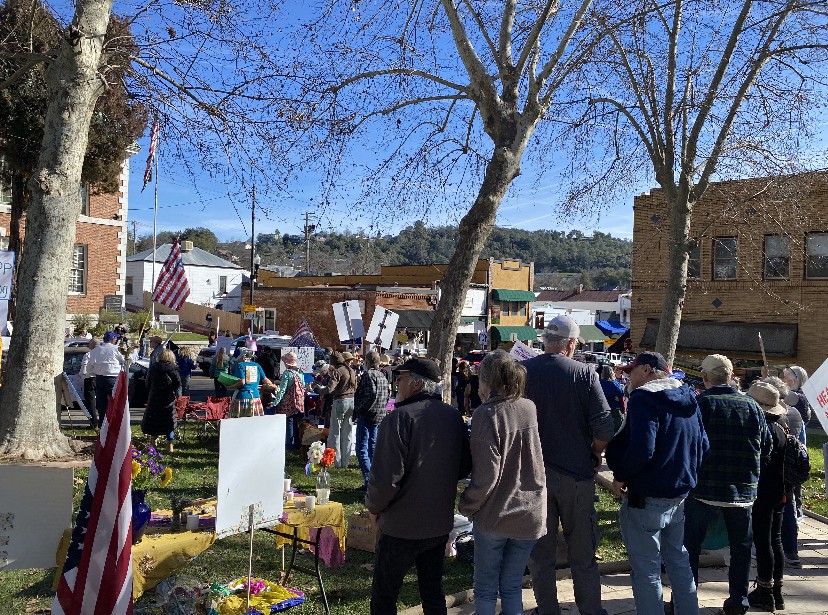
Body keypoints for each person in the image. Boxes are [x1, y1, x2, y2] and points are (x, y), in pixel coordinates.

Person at [521, 314, 615, 615]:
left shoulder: (523, 371)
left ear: (546, 341)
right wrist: (595, 451)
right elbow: (604, 427)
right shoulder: (584, 374)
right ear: (571, 344)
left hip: (533, 477)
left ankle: (547, 610)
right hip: (576, 476)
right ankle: (590, 610)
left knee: (541, 554)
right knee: (583, 553)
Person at [605, 351, 709, 615]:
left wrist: (621, 476)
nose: (628, 375)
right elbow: (704, 446)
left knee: (646, 569)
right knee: (679, 561)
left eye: (632, 370)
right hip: (679, 494)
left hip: (647, 496)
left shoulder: (644, 399)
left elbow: (643, 449)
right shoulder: (690, 397)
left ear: (648, 370)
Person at [366, 357, 471, 615]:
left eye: (399, 378)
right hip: (437, 522)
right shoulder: (453, 417)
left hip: (401, 525)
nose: (396, 384)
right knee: (432, 591)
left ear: (415, 383)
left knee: (384, 595)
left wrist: (373, 507)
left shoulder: (400, 418)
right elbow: (464, 467)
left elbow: (385, 478)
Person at [459, 350, 546, 615]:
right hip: (530, 511)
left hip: (496, 513)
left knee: (485, 588)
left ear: (486, 380)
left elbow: (486, 476)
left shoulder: (487, 414)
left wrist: (467, 506)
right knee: (511, 586)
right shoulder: (528, 407)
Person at [683, 354, 772, 615]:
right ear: (731, 377)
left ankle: (686, 601)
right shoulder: (752, 406)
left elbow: (690, 446)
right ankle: (737, 602)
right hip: (743, 491)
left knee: (690, 548)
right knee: (741, 549)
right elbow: (765, 448)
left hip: (704, 490)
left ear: (705, 376)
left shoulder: (700, 404)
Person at [745, 381, 792, 612]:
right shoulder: (783, 423)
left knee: (764, 541)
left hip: (764, 491)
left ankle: (765, 592)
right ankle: (776, 592)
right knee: (775, 539)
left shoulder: (763, 427)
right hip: (782, 491)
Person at [762, 376, 805, 570]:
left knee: (767, 512)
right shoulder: (795, 413)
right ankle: (792, 551)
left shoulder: (771, 416)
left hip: (772, 467)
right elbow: (802, 441)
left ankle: (764, 547)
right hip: (790, 469)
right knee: (789, 507)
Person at [353, 350, 390, 490]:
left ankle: (370, 482)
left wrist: (359, 409)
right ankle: (376, 481)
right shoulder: (382, 375)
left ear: (367, 363)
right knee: (372, 449)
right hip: (379, 414)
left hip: (368, 414)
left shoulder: (368, 375)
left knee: (361, 449)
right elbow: (386, 394)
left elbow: (370, 395)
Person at [313, 351, 356, 468]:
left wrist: (317, 389)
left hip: (340, 401)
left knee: (335, 433)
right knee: (347, 433)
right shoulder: (351, 371)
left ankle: (337, 462)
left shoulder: (338, 371)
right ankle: (345, 463)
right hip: (351, 401)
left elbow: (329, 389)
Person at [141, 348, 181, 452]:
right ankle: (170, 444)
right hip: (168, 398)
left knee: (155, 420)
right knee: (169, 421)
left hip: (154, 397)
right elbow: (177, 384)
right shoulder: (173, 369)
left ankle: (154, 441)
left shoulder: (153, 368)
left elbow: (147, 384)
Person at [84, 331, 125, 428]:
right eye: (116, 338)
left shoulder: (96, 350)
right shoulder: (116, 349)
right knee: (115, 403)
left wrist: (93, 372)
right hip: (112, 378)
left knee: (102, 404)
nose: (116, 340)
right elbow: (124, 361)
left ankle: (103, 426)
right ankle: (115, 425)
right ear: (112, 339)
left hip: (99, 378)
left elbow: (89, 365)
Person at [270, 351, 305, 449]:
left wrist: (275, 402)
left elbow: (282, 390)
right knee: (297, 424)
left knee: (289, 422)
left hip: (289, 403)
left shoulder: (287, 373)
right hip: (299, 403)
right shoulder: (300, 372)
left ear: (287, 362)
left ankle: (290, 445)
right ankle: (298, 444)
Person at [228, 347, 274, 417]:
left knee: (240, 422)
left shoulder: (240, 366)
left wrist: (230, 387)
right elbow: (266, 380)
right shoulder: (257, 365)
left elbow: (242, 382)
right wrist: (274, 386)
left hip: (242, 397)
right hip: (255, 397)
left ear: (242, 357)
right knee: (254, 422)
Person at [599, 364, 626, 433]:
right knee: (617, 431)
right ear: (612, 373)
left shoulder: (598, 383)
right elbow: (621, 399)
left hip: (601, 410)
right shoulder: (616, 384)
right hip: (615, 410)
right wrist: (624, 410)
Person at [78, 339, 99, 428]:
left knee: (90, 403)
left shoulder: (88, 355)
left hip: (89, 379)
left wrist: (81, 374)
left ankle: (93, 423)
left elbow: (83, 370)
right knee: (102, 402)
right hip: (100, 379)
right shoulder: (102, 355)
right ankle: (103, 423)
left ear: (91, 345)